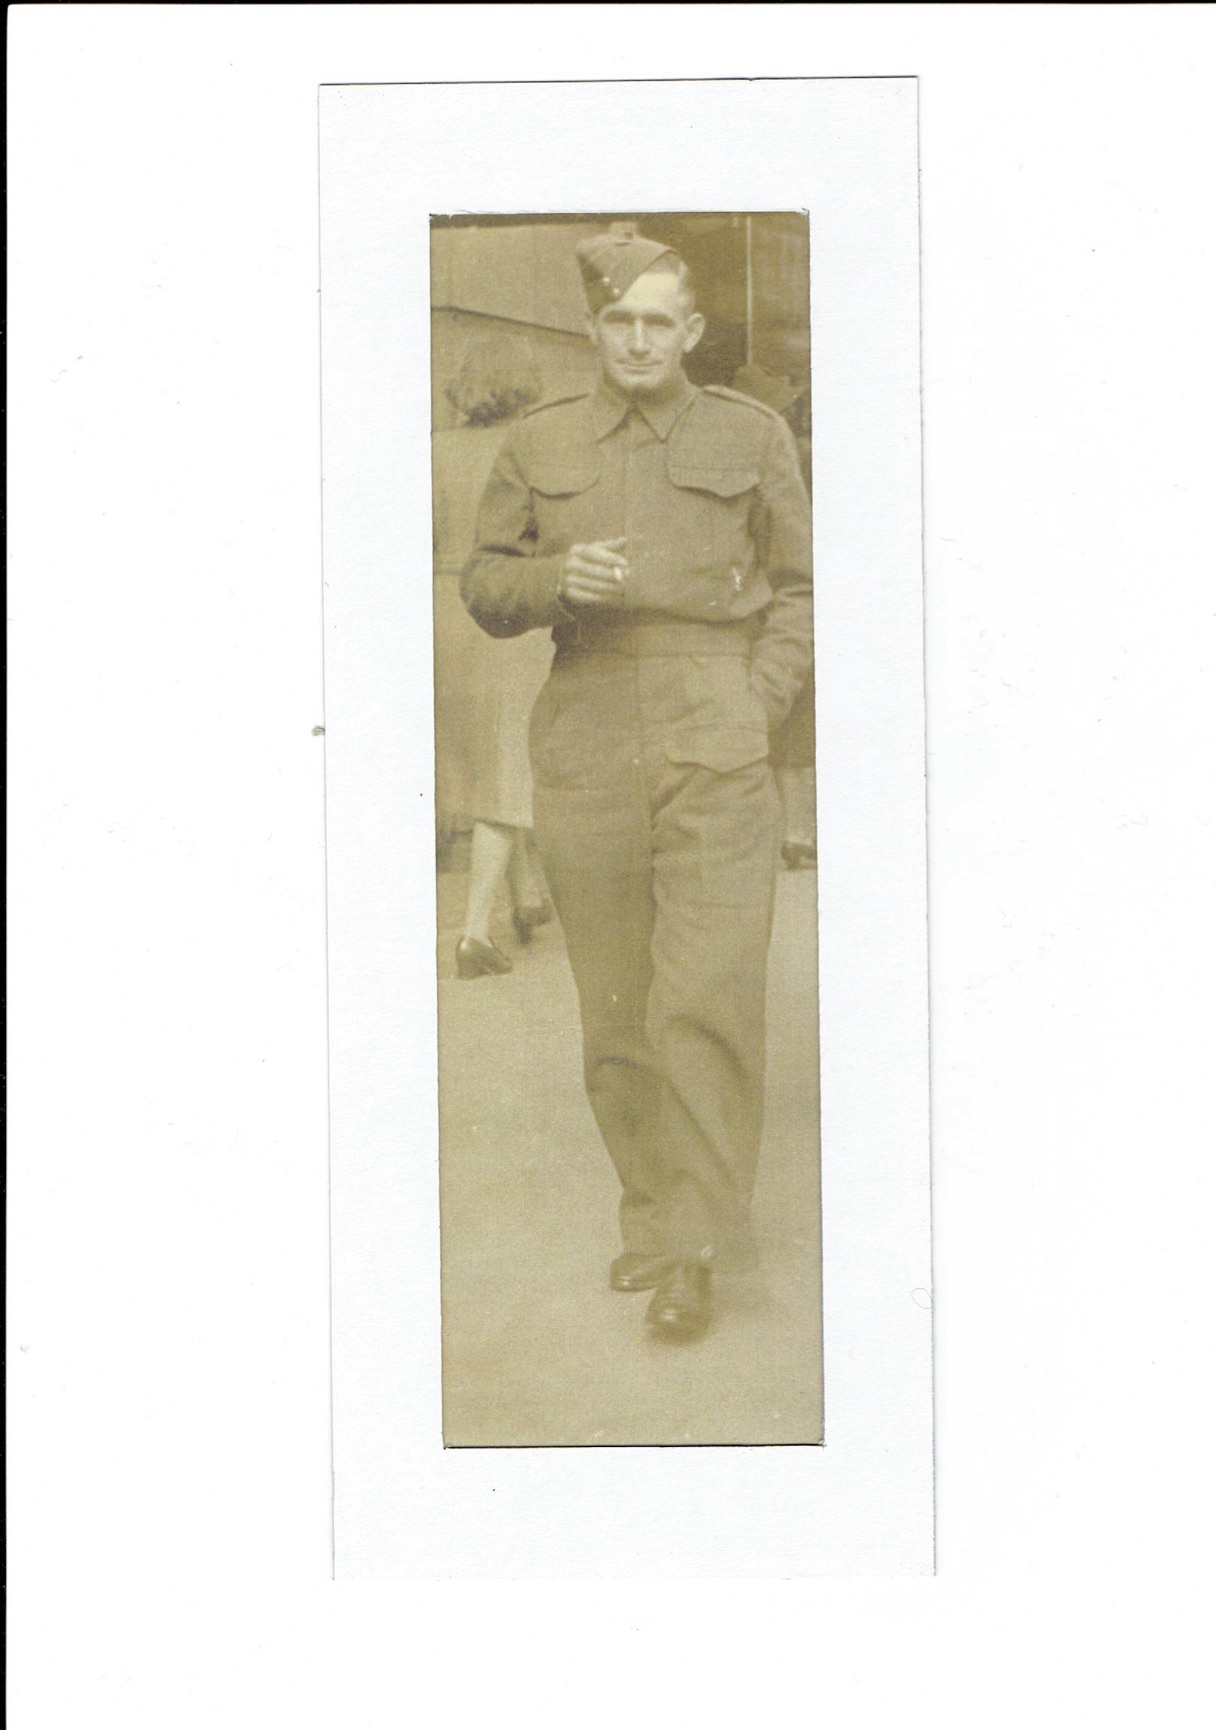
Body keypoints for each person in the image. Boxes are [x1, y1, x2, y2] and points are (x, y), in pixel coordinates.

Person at [462, 230, 813, 1339]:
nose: (638, 339)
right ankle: (655, 1220)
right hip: (587, 723)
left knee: (703, 999)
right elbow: (482, 580)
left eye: (659, 320)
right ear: (594, 328)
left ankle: (701, 1247)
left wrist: (752, 705)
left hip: (714, 729)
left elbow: (803, 586)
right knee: (615, 1008)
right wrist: (556, 576)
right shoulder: (540, 437)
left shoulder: (750, 433)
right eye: (619, 321)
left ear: (692, 332)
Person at [431, 337, 554, 979]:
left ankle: (527, 896)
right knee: (507, 771)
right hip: (504, 612)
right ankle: (476, 933)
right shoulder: (526, 447)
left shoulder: (432, 451)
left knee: (478, 764)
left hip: (443, 611)